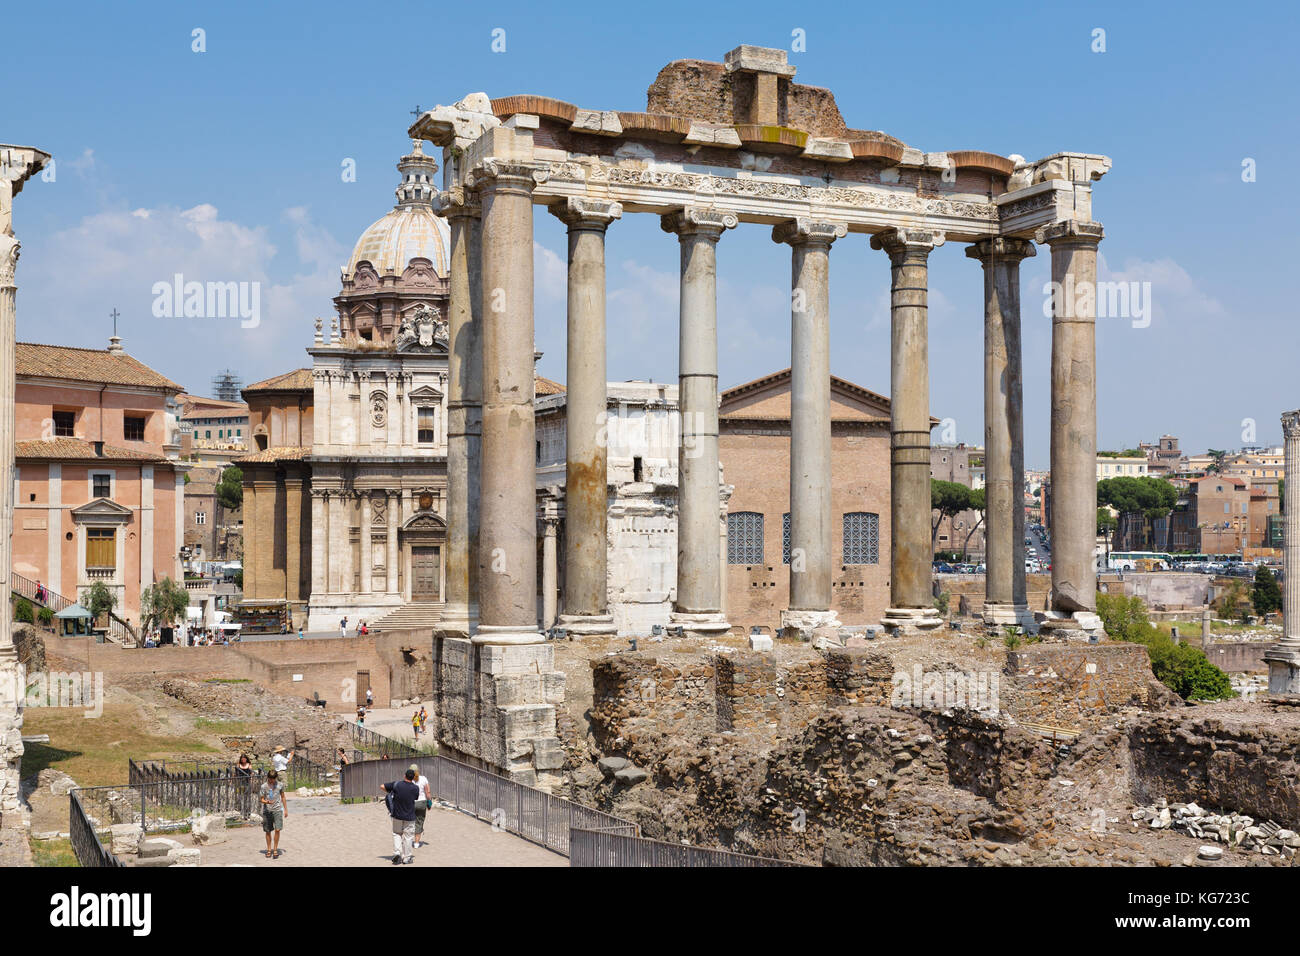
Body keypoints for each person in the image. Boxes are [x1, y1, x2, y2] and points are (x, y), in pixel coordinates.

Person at [380, 769, 420, 864]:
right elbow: (415, 797)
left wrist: (391, 792)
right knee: (408, 837)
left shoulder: (397, 785)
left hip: (397, 815)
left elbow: (382, 786)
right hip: (410, 816)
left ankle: (397, 853)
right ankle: (407, 857)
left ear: (404, 775)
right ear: (413, 778)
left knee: (397, 834)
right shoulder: (415, 788)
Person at [259, 769, 287, 859]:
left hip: (278, 809)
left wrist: (286, 809)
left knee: (277, 829)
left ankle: (275, 850)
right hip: (267, 810)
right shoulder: (264, 786)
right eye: (270, 779)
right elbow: (261, 799)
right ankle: (268, 849)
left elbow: (283, 797)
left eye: (273, 779)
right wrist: (266, 802)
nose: (272, 781)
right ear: (268, 778)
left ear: (276, 778)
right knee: (268, 831)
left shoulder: (280, 785)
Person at [409, 763, 432, 849]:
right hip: (422, 803)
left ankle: (408, 839)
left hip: (411, 803)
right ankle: (416, 843)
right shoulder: (423, 779)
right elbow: (428, 792)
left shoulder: (408, 779)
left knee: (409, 821)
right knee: (419, 821)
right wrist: (429, 803)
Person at [234, 753, 255, 817]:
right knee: (239, 796)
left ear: (246, 759)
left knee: (247, 797)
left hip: (247, 782)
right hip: (240, 782)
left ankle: (247, 811)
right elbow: (235, 773)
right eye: (242, 759)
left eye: (244, 759)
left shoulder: (249, 765)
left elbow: (251, 773)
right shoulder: (238, 765)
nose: (243, 760)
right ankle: (239, 809)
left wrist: (251, 780)